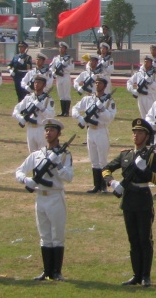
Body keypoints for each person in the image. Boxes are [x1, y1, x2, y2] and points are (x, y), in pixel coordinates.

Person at [102, 118, 156, 287]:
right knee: (133, 238)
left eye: (140, 132)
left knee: (145, 238)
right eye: (134, 132)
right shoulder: (125, 154)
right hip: (128, 199)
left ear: (147, 136)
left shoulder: (151, 156)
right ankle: (136, 274)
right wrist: (113, 183)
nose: (136, 135)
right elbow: (106, 169)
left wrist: (146, 171)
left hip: (143, 198)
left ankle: (145, 275)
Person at [14, 119, 74, 281]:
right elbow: (19, 171)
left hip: (55, 195)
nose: (48, 133)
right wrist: (27, 181)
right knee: (45, 235)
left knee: (57, 235)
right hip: (40, 197)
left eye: (52, 130)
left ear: (59, 133)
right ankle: (47, 271)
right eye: (46, 130)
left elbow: (69, 177)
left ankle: (57, 271)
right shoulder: (37, 155)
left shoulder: (64, 155)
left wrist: (59, 166)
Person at [72, 75, 116, 193]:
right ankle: (96, 186)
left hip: (101, 130)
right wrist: (80, 118)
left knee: (102, 160)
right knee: (94, 159)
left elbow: (109, 118)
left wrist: (102, 109)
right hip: (90, 130)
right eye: (96, 83)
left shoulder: (108, 101)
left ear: (105, 86)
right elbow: (74, 109)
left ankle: (104, 186)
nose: (97, 85)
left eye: (100, 83)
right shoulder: (88, 99)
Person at [12, 74, 56, 153]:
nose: (36, 84)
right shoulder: (28, 98)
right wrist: (21, 118)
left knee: (43, 154)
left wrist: (42, 108)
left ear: (44, 85)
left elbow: (51, 116)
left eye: (39, 82)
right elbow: (16, 110)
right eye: (35, 82)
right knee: (32, 155)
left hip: (42, 129)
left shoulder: (48, 99)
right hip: (30, 129)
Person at [127, 54, 156, 120]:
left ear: (151, 63)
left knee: (151, 117)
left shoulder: (155, 74)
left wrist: (150, 82)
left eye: (148, 62)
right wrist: (133, 91)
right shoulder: (139, 73)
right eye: (145, 61)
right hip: (140, 96)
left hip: (150, 96)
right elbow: (129, 82)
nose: (146, 63)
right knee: (143, 117)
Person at [51, 42, 74, 117]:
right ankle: (62, 111)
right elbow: (51, 67)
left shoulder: (69, 58)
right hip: (59, 77)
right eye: (60, 48)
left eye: (63, 48)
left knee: (66, 94)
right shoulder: (56, 58)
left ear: (65, 49)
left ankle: (66, 112)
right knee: (61, 94)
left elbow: (72, 68)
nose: (61, 49)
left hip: (65, 76)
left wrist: (64, 67)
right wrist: (55, 72)